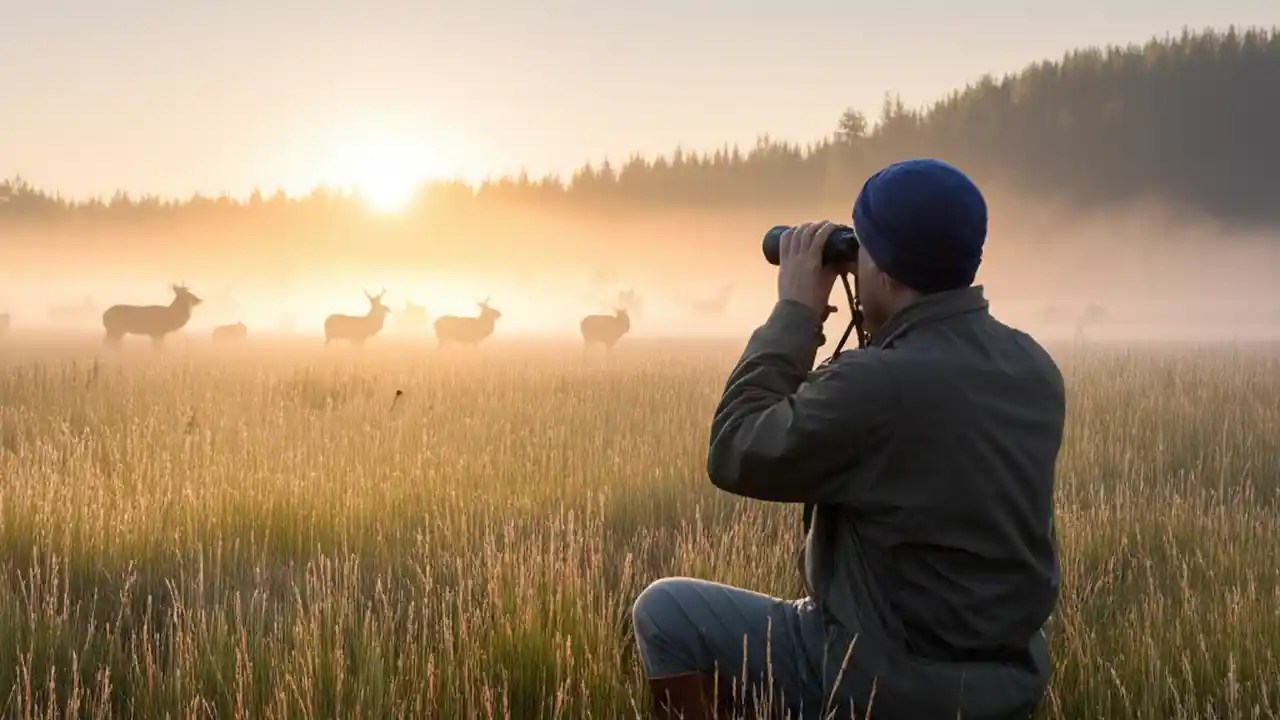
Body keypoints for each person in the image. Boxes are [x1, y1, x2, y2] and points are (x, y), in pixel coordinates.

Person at [631, 159, 1065, 719]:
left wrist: (794, 313)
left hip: (888, 685)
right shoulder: (1032, 365)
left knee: (666, 611)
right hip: (1006, 685)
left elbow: (734, 449)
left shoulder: (878, 383)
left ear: (884, 269)